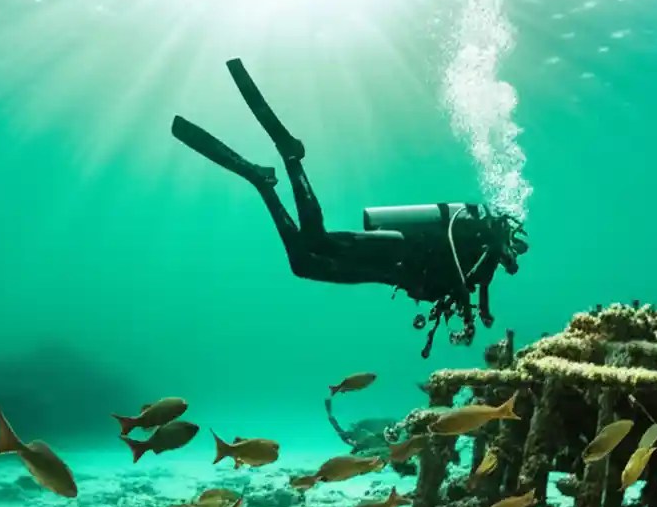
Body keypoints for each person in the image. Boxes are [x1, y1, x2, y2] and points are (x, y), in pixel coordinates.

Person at [170, 58, 529, 358]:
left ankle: (262, 183)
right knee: (318, 239)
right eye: (516, 247)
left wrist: (481, 315)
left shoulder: (485, 264)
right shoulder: (486, 241)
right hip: (399, 247)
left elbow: (475, 289)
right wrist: (468, 317)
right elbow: (458, 276)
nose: (514, 258)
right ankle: (292, 157)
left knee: (304, 264)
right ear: (507, 233)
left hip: (394, 273)